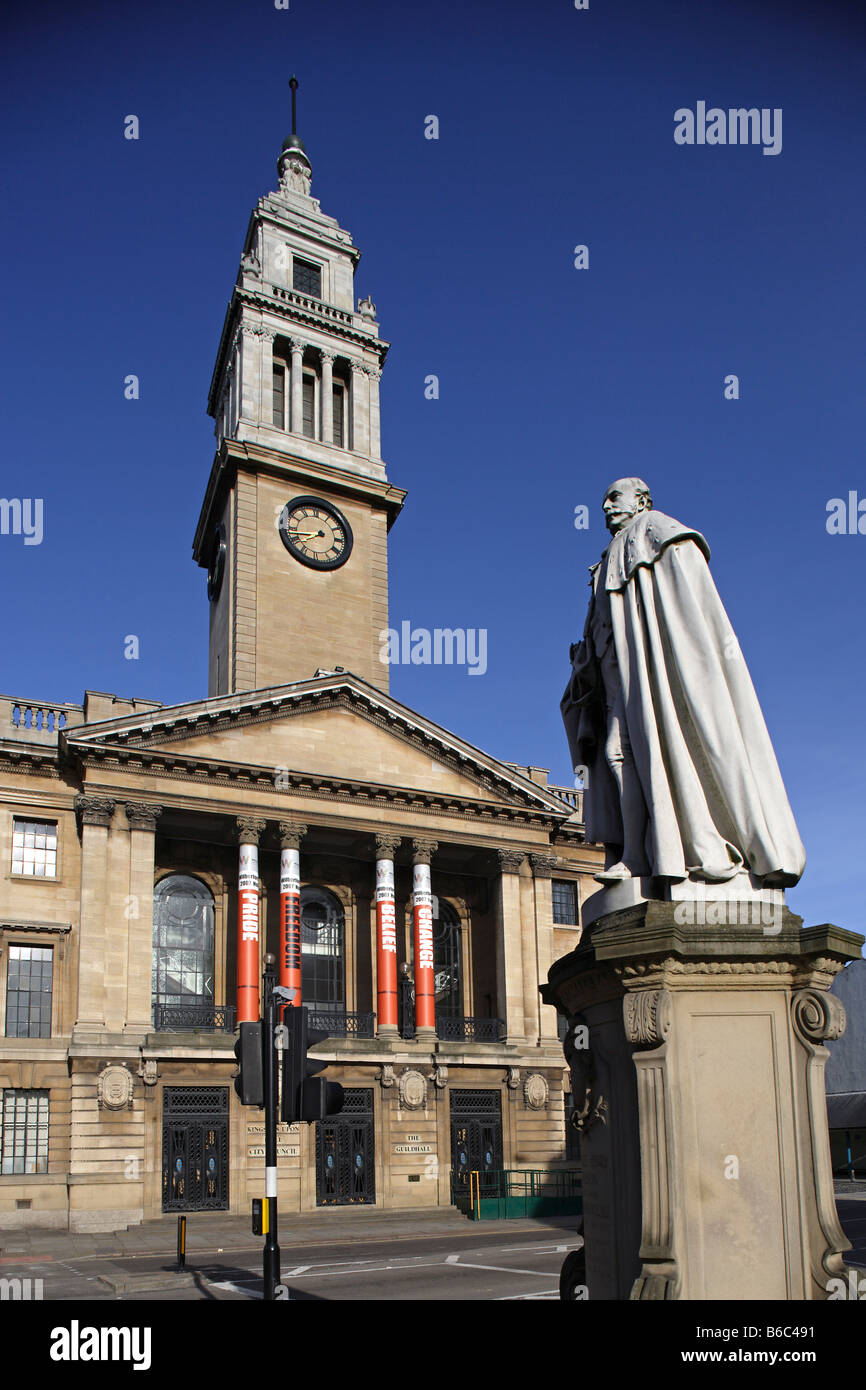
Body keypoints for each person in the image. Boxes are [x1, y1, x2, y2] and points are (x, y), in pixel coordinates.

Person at [561, 478, 805, 888]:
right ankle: (638, 854)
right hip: (615, 679)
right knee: (620, 754)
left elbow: (686, 607)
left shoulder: (657, 531)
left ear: (642, 501)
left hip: (652, 677)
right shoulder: (607, 559)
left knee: (634, 751)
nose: (605, 505)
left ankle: (651, 853)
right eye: (603, 500)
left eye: (614, 497)